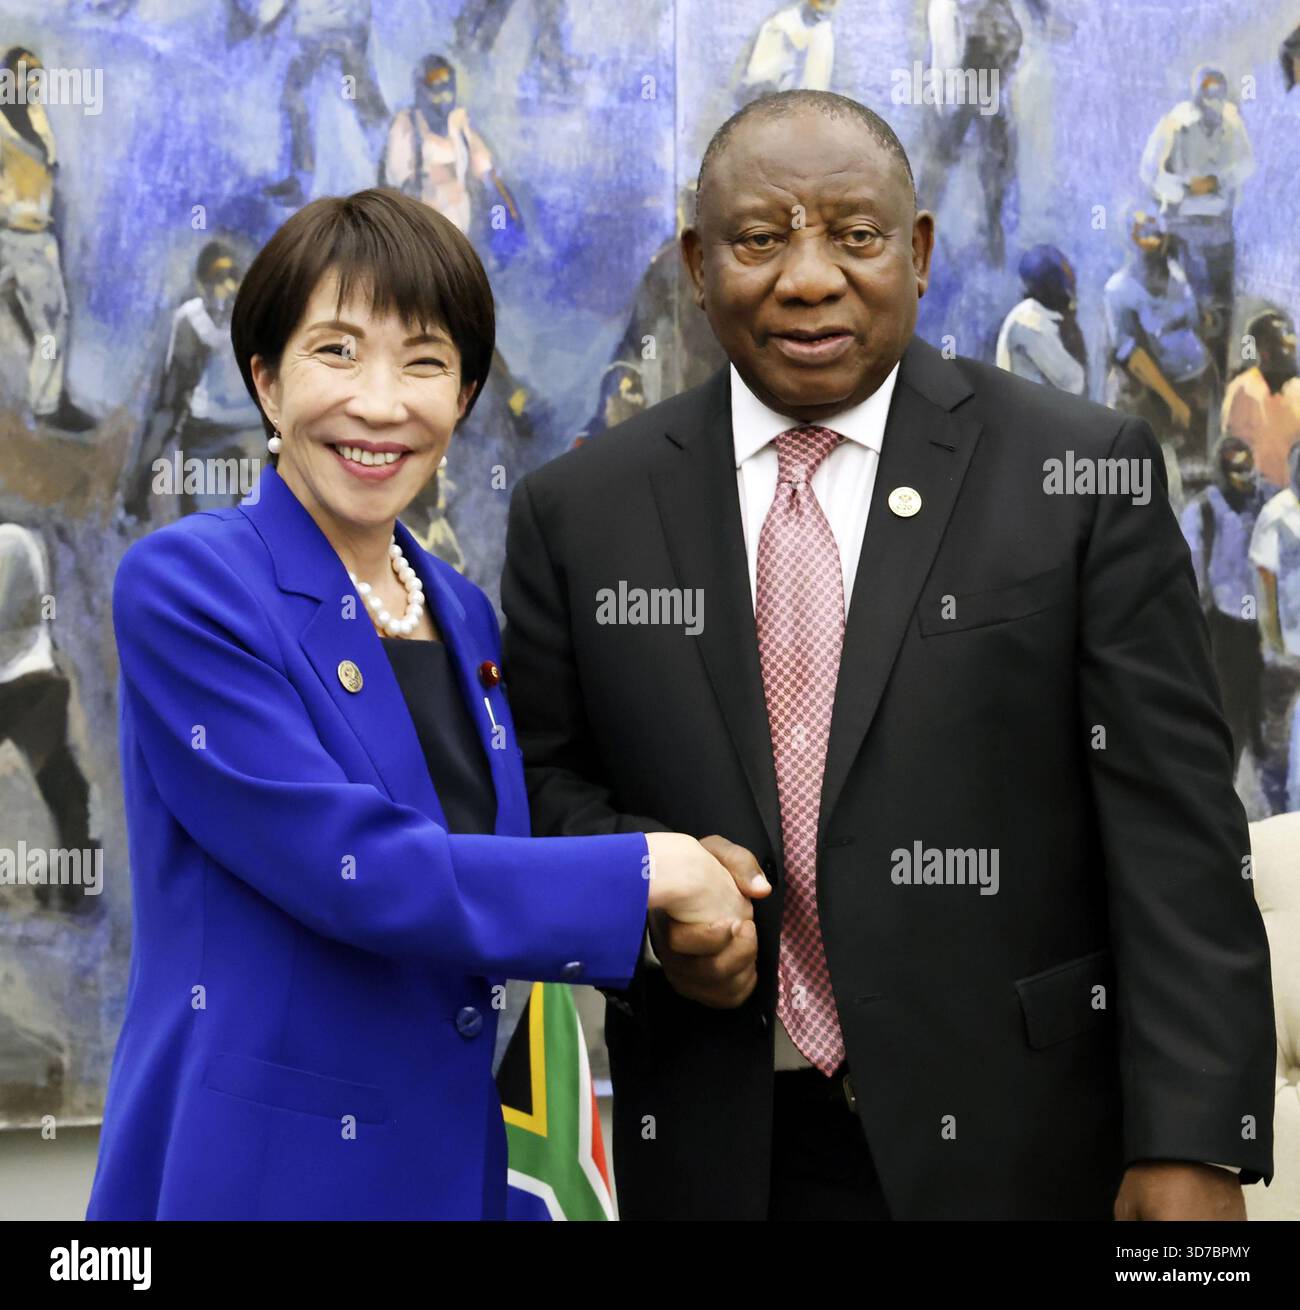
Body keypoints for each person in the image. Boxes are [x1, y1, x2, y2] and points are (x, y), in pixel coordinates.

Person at [501, 91, 1275, 1220]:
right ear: (698, 262)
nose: (808, 277)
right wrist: (650, 881)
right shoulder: (580, 512)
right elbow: (540, 785)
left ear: (915, 251)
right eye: (759, 238)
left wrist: (1195, 1138)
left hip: (1033, 1144)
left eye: (855, 236)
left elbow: (1174, 823)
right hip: (724, 1149)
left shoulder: (1078, 471)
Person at [84, 189, 752, 1220]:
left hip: (457, 1161)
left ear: (466, 394)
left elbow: (491, 867)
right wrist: (654, 868)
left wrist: (675, 911)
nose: (382, 402)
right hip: (264, 1167)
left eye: (426, 361)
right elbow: (361, 870)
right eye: (337, 352)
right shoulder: (190, 584)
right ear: (265, 380)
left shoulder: (465, 616)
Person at [1140, 65, 1253, 385]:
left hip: (1220, 228)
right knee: (1190, 306)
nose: (1214, 99)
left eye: (1219, 91)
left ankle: (1218, 375)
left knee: (1222, 306)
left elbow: (1246, 164)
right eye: (1208, 92)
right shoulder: (1174, 123)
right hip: (1182, 229)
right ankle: (1191, 379)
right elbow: (1150, 173)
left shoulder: (1232, 120)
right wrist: (1187, 188)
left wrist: (1217, 181)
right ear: (1197, 93)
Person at [1179, 438, 1276, 781]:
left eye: (1249, 467)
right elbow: (1187, 566)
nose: (1246, 476)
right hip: (1223, 622)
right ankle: (1224, 782)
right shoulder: (1203, 509)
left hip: (1258, 622)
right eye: (1238, 469)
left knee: (1257, 706)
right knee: (1229, 707)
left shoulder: (1262, 502)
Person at [1248, 440, 1300, 816]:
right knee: (1277, 739)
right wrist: (1271, 640)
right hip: (1287, 650)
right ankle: (1279, 812)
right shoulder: (1276, 512)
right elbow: (1263, 580)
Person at [1221, 308, 1300, 491]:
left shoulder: (1297, 388)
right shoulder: (1244, 389)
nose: (1292, 348)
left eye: (1293, 343)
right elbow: (1234, 450)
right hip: (1261, 492)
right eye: (1284, 344)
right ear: (1265, 350)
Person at [994, 244, 1086, 394]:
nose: (1073, 282)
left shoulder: (1032, 313)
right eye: (1067, 277)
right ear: (1054, 285)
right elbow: (1073, 382)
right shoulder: (1032, 324)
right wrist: (1072, 327)